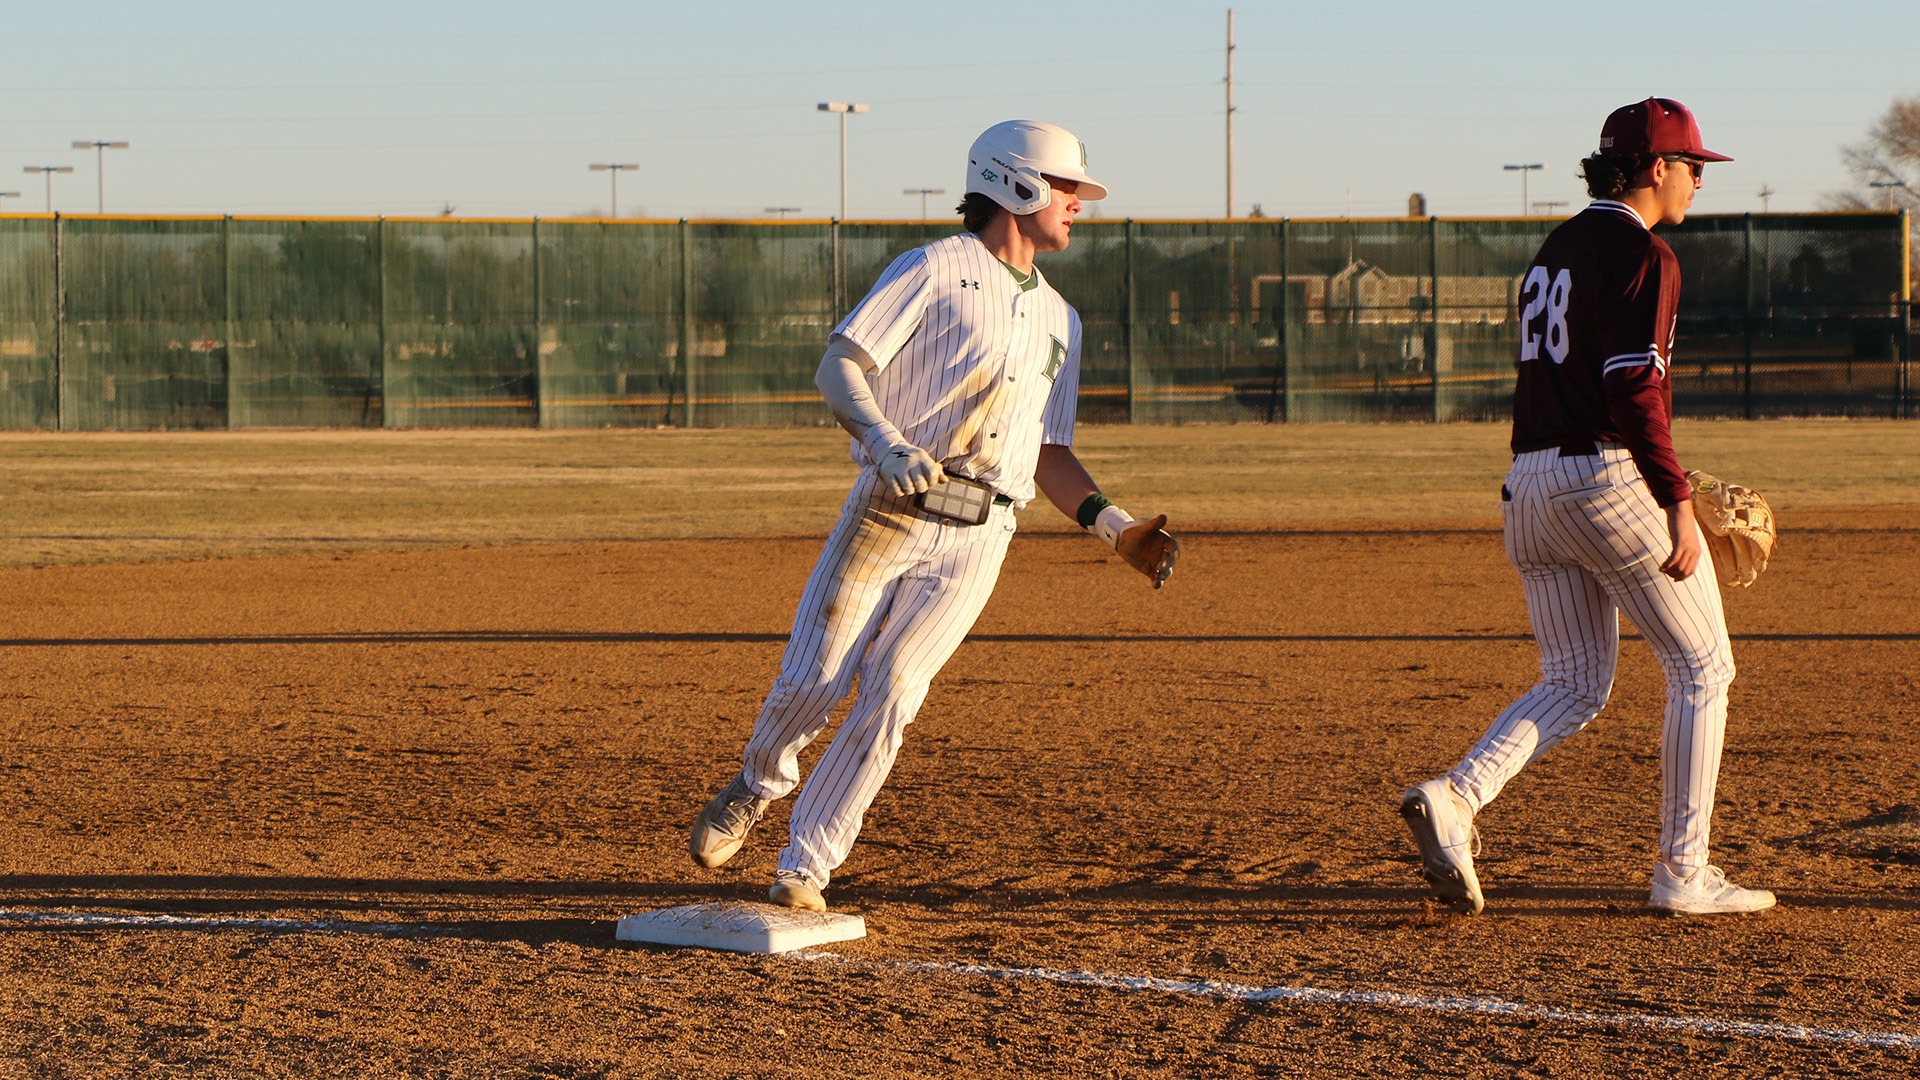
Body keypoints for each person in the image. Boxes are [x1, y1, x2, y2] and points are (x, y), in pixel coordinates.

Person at [687, 120, 1180, 912]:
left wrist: (1112, 526)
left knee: (894, 689)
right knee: (815, 679)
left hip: (983, 534)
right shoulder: (931, 269)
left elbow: (1047, 451)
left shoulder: (1063, 319)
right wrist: (884, 444)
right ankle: (757, 782)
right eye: (1066, 188)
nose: (1078, 204)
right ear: (1016, 183)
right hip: (893, 507)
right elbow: (839, 366)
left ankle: (805, 866)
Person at [1400, 98, 1776, 917]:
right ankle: (1684, 874)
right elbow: (1631, 382)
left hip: (1529, 485)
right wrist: (1674, 497)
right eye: (1693, 166)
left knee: (1573, 679)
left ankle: (1457, 796)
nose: (1698, 182)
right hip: (1604, 481)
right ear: (1653, 169)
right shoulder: (1647, 251)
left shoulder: (1557, 245)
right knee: (1704, 668)